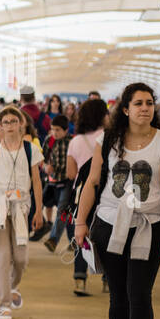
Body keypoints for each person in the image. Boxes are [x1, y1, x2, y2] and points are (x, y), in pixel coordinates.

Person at [74, 82, 160, 319]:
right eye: (138, 103)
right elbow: (92, 183)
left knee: (140, 294)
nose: (145, 108)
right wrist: (81, 222)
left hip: (150, 225)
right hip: (109, 224)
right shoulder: (108, 141)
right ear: (125, 109)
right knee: (118, 294)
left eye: (149, 103)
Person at [0, 106, 45, 319]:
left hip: (21, 206)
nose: (10, 125)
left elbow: (36, 181)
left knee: (21, 258)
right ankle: (4, 304)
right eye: (6, 122)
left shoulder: (31, 149)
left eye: (14, 121)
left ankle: (14, 286)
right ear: (0, 126)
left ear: (22, 124)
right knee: (3, 256)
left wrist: (39, 211)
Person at [62, 98, 108, 295]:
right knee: (109, 237)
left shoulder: (75, 141)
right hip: (107, 195)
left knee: (82, 236)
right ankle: (109, 280)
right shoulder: (110, 137)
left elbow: (71, 173)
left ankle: (80, 280)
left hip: (82, 196)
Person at [42, 114, 72, 252]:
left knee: (62, 210)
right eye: (53, 129)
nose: (55, 132)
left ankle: (53, 240)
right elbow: (42, 159)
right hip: (52, 180)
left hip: (67, 181)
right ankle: (73, 240)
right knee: (65, 211)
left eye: (58, 130)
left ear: (66, 130)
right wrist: (45, 167)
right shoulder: (49, 140)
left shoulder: (72, 142)